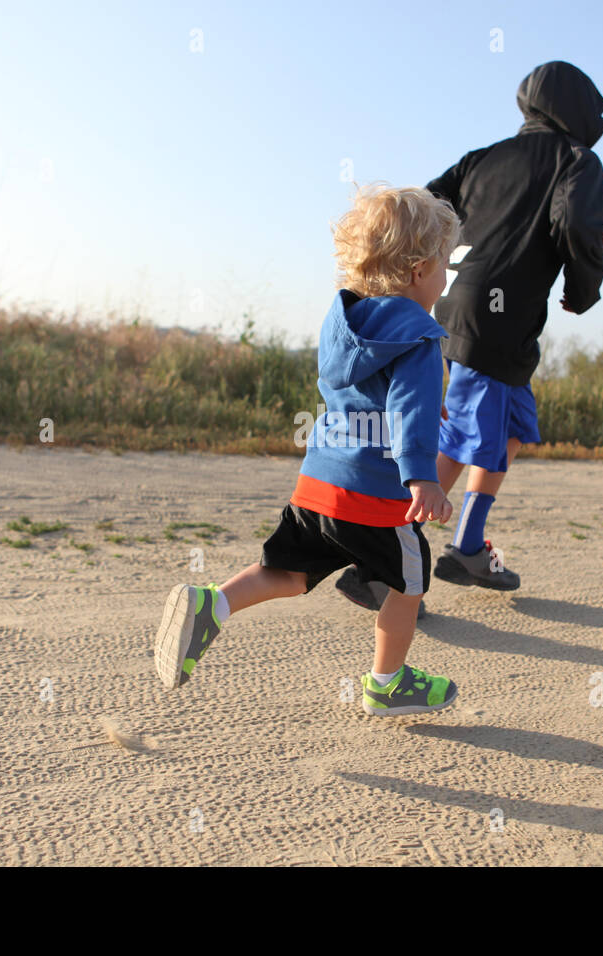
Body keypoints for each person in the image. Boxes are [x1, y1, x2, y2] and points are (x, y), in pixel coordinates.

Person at [154, 183, 462, 716]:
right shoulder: (419, 336)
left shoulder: (342, 323)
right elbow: (408, 413)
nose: (445, 276)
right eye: (444, 265)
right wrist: (422, 477)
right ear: (418, 271)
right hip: (377, 492)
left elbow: (368, 393)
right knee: (407, 584)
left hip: (319, 482)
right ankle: (387, 683)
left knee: (291, 572)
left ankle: (214, 603)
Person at [336, 60, 603, 607]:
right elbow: (579, 222)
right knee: (461, 438)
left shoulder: (483, 159)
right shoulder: (579, 161)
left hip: (473, 307)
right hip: (494, 320)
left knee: (508, 429)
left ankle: (465, 546)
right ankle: (380, 559)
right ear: (575, 107)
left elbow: (424, 206)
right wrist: (584, 288)